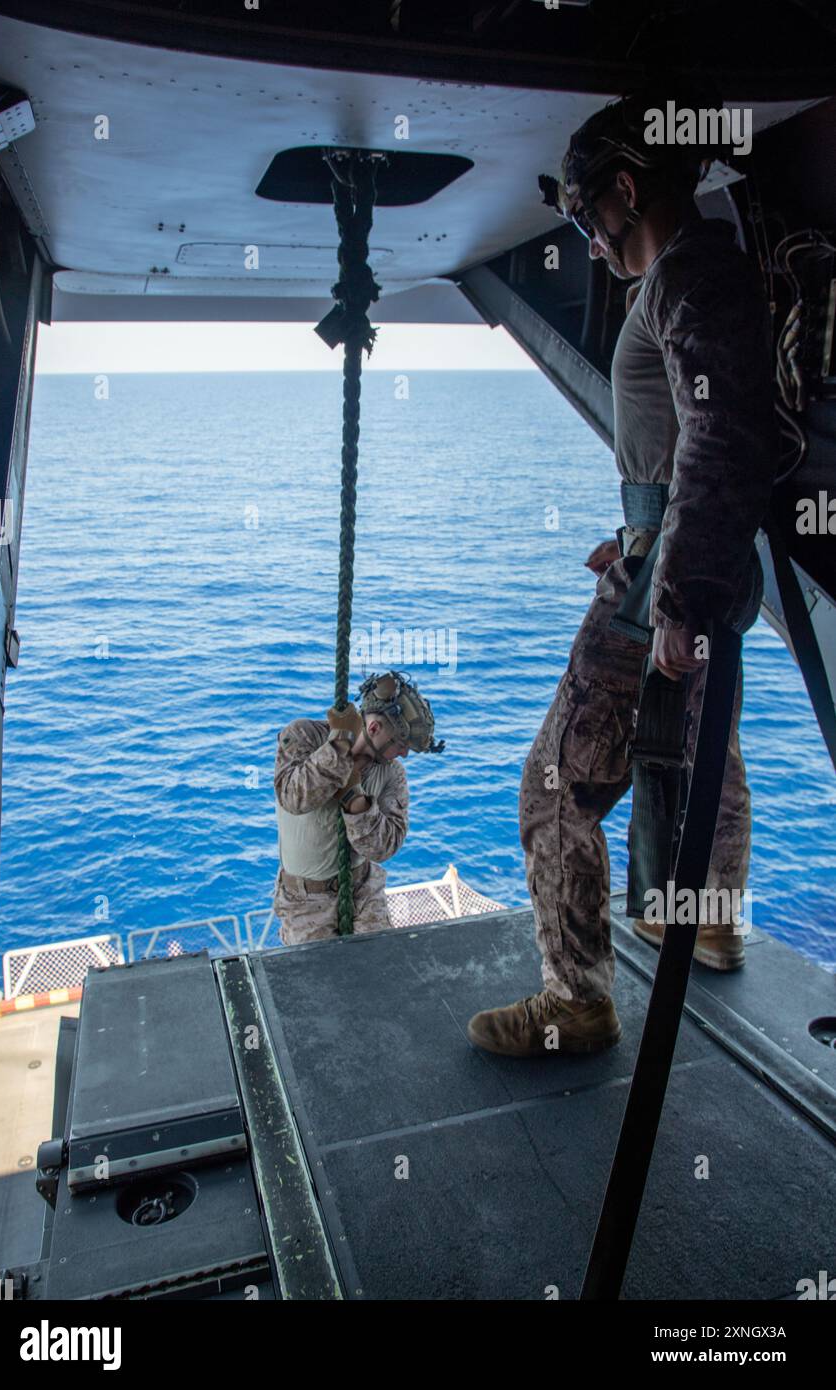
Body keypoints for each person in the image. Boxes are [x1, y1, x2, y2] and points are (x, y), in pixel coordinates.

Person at [467, 87, 778, 1058]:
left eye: (579, 210)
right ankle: (704, 917)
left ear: (626, 189)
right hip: (670, 562)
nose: (583, 236)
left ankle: (574, 1001)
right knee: (700, 746)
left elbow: (723, 438)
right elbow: (691, 443)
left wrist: (672, 592)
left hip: (661, 586)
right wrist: (640, 530)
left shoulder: (685, 277)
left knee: (554, 791)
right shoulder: (692, 276)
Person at [273, 670, 444, 943]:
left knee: (376, 968)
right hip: (305, 902)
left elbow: (384, 847)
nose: (404, 754)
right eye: (400, 744)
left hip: (363, 889)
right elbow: (293, 797)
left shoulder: (392, 774)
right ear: (375, 729)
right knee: (317, 980)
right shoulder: (304, 735)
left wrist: (356, 801)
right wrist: (338, 751)